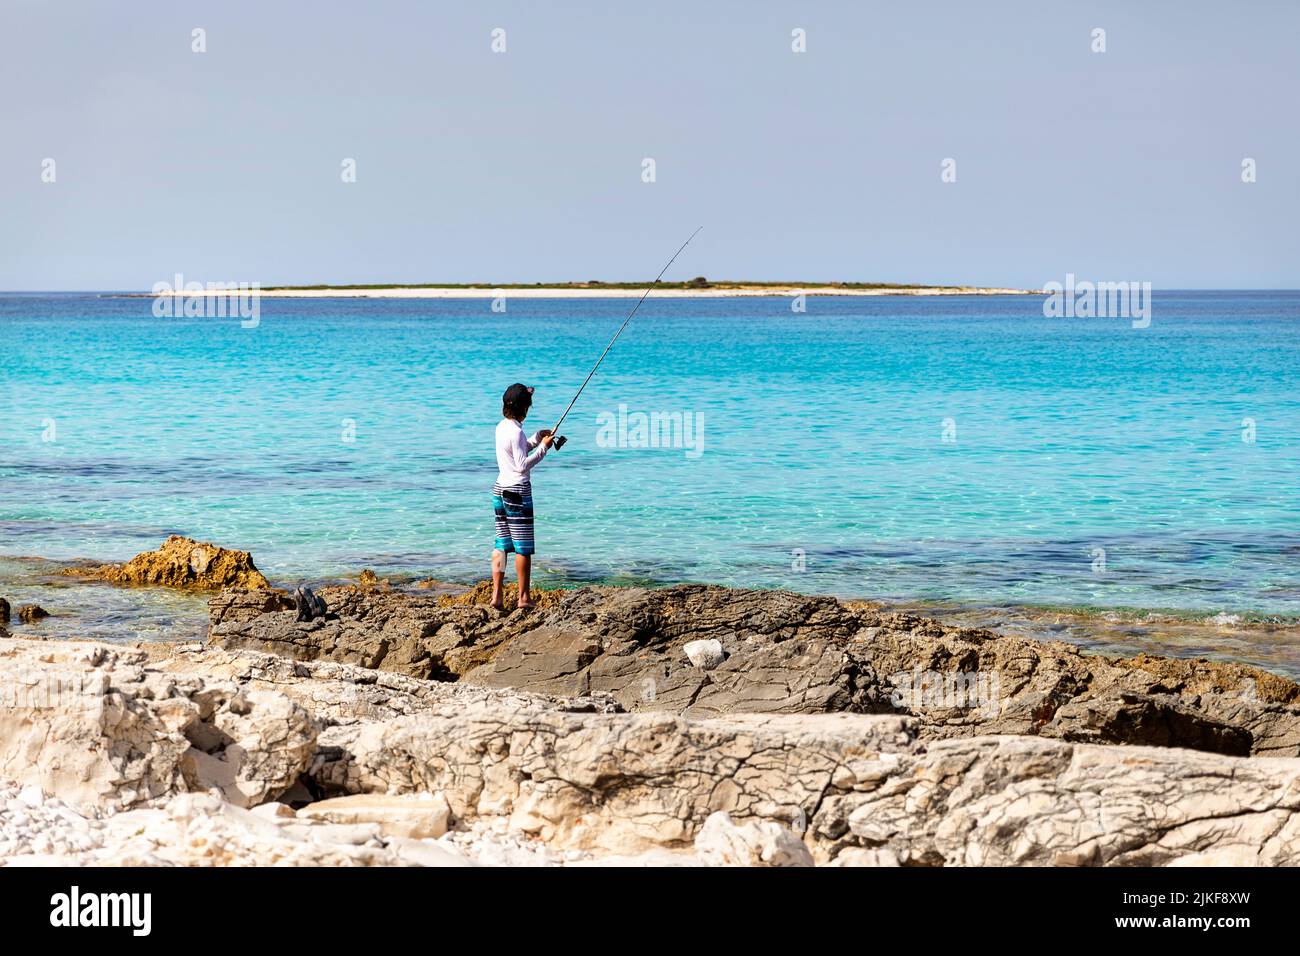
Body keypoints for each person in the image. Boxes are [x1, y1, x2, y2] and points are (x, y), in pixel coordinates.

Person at [491, 383, 554, 611]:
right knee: (522, 549)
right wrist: (544, 449)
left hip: (499, 489)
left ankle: (497, 596)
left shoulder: (502, 427)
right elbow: (521, 465)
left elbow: (517, 450)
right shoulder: (517, 431)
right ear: (524, 408)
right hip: (517, 492)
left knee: (501, 545)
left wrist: (537, 438)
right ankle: (524, 597)